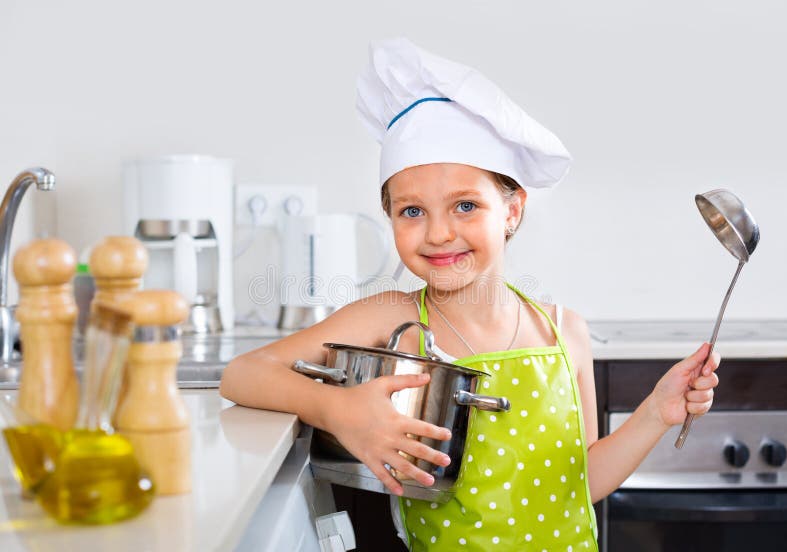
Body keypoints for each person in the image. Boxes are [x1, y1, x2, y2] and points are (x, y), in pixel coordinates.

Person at [220, 38, 720, 551]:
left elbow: (581, 481)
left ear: (511, 210)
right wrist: (336, 410)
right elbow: (242, 374)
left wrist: (657, 412)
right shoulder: (391, 318)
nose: (438, 233)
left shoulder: (563, 330)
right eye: (411, 211)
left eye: (464, 206)